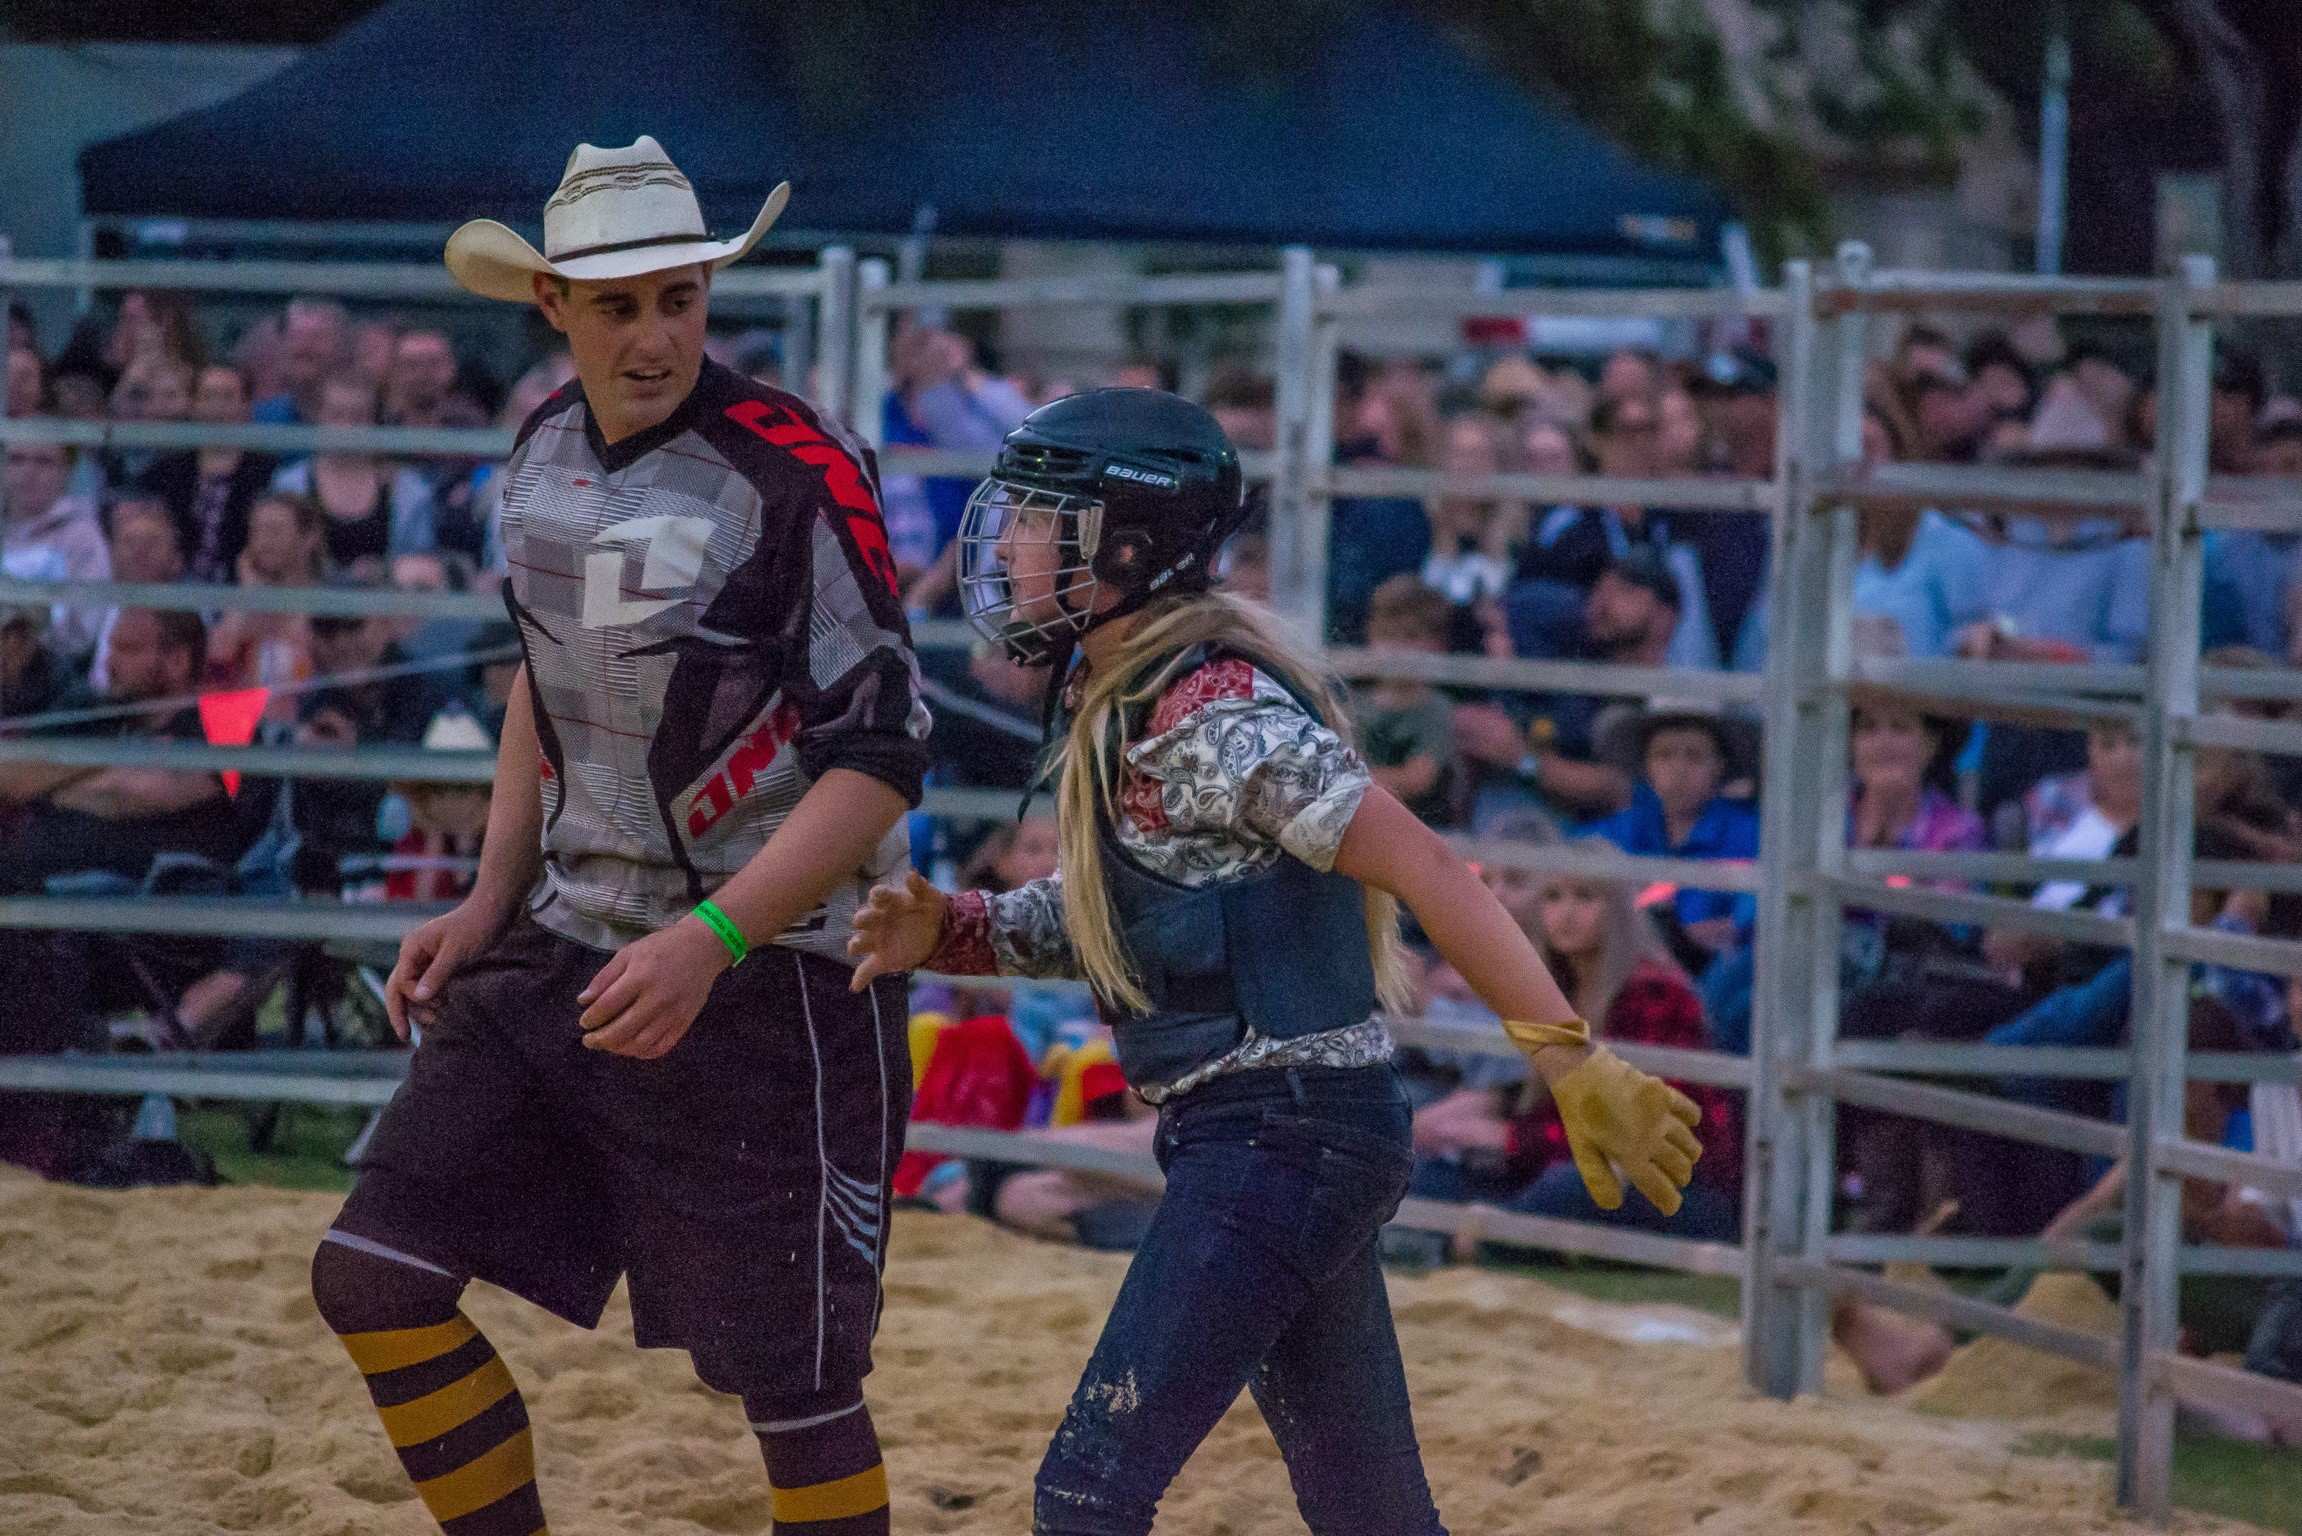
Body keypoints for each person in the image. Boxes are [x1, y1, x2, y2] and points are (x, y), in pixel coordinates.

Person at [845, 387, 1700, 1535]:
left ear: (1128, 546)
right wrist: (951, 926)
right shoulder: (1137, 690)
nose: (1002, 540)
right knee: (1372, 1517)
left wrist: (1567, 1058)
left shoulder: (1214, 711)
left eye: (1037, 518)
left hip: (1280, 1137)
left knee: (1086, 1495)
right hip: (1287, 1133)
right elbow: (1125, 914)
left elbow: (1432, 868)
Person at [309, 137, 927, 1536]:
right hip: (571, 948)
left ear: (709, 292)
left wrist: (712, 939)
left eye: (679, 299)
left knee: (796, 1388)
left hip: (779, 979)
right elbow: (544, 671)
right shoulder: (534, 455)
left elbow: (881, 759)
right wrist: (484, 902)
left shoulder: (798, 474)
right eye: (617, 305)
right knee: (370, 1276)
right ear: (550, 304)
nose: (653, 335)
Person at [1409, 857, 1740, 1241]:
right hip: (1569, 1162)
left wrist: (1508, 1138)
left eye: (1585, 898)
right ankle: (1470, 1237)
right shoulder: (1557, 990)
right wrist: (1470, 1128)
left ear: (1616, 910)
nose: (1565, 913)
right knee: (1432, 1175)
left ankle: (1481, 1238)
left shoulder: (1653, 993)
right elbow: (1540, 1104)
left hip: (1673, 1185)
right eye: (1553, 897)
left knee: (1564, 1187)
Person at [269, 375, 439, 578]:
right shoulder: (287, 485)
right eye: (336, 415)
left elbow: (422, 568)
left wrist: (385, 572)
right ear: (317, 418)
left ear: (376, 422)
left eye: (358, 417)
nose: (347, 427)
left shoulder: (411, 490)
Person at [134, 362, 277, 585]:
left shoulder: (268, 475)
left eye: (227, 397)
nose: (217, 408)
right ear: (193, 405)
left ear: (247, 406)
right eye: (208, 397)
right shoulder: (162, 474)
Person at [1352, 574, 1460, 826]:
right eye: (1387, 635)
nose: (1397, 649)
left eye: (1410, 636)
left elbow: (1418, 779)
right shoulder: (1352, 704)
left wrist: (1351, 780)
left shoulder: (1435, 708)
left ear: (1437, 645)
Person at [2, 439, 111, 658]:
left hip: (48, 670)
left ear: (67, 471)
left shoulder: (83, 538)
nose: (28, 472)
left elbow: (83, 631)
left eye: (44, 462)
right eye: (17, 459)